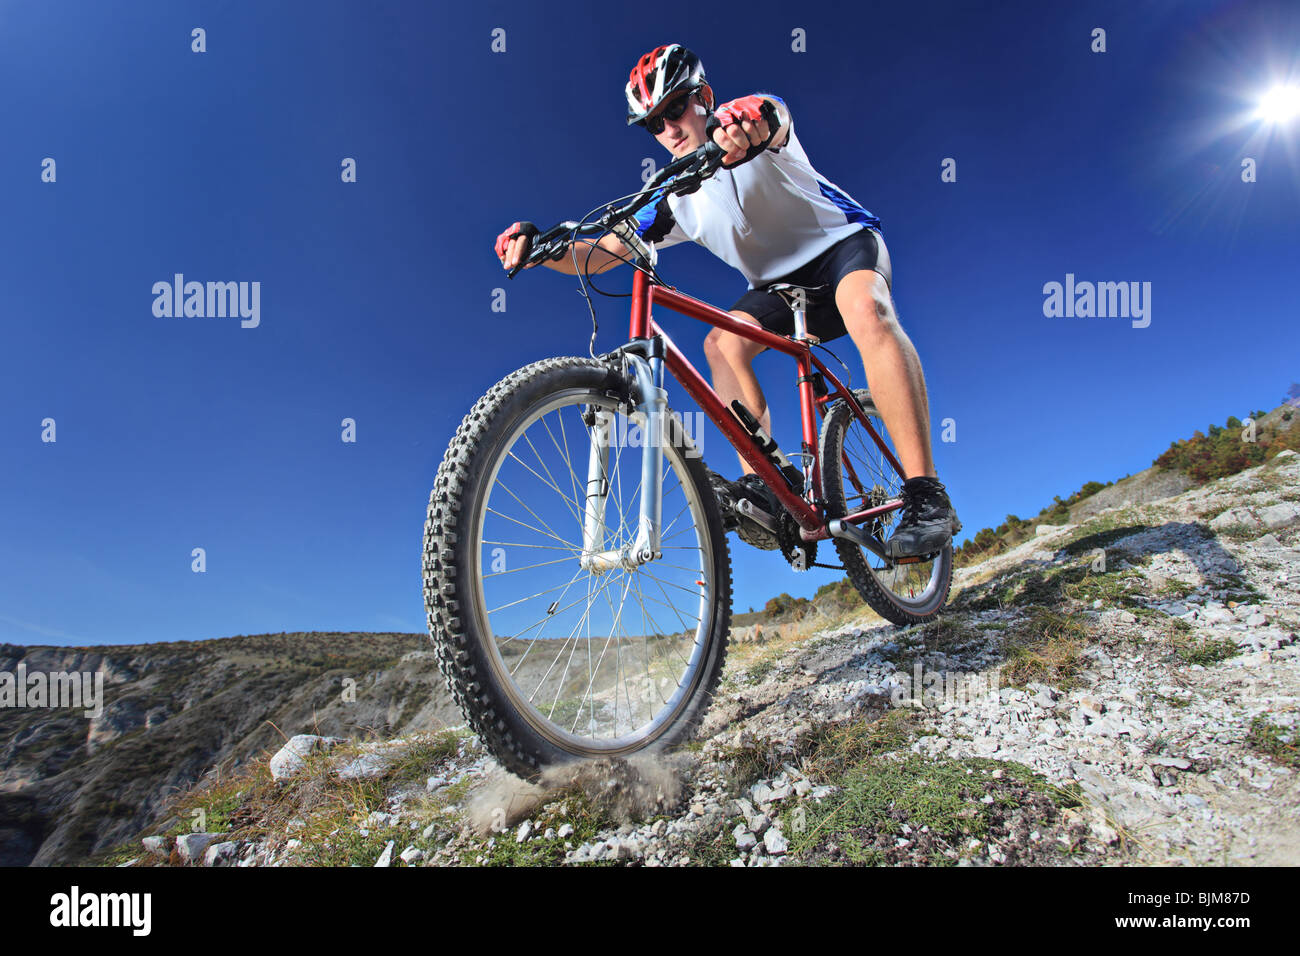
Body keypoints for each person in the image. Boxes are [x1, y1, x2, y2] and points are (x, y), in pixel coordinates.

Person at [495, 43, 960, 559]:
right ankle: (764, 485)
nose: (669, 129)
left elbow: (772, 114)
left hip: (841, 247)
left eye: (675, 109)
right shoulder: (672, 197)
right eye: (654, 124)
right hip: (775, 289)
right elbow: (607, 249)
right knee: (721, 345)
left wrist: (751, 119)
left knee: (865, 308)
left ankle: (924, 494)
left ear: (704, 98)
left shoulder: (745, 132)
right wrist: (539, 249)